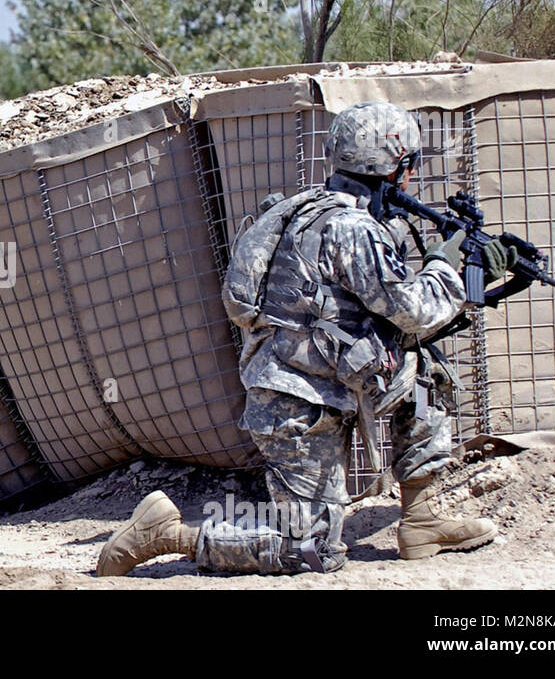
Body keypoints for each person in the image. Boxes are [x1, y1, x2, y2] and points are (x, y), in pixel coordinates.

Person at [97, 101, 514, 576]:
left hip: (321, 383)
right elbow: (414, 309)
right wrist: (449, 268)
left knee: (423, 376)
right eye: (410, 165)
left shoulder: (311, 208)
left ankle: (420, 520)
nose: (413, 176)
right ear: (396, 166)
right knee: (312, 551)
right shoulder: (353, 228)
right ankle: (168, 535)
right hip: (295, 407)